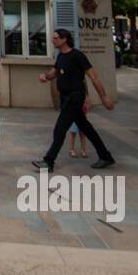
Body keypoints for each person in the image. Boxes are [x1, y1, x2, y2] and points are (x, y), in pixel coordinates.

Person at [33, 29, 117, 171]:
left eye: (55, 38)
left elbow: (94, 77)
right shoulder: (60, 56)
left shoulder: (77, 56)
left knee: (60, 129)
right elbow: (55, 71)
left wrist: (104, 97)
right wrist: (46, 77)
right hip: (65, 97)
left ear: (64, 39)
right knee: (86, 128)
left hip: (75, 97)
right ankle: (105, 156)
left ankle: (48, 161)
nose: (52, 40)